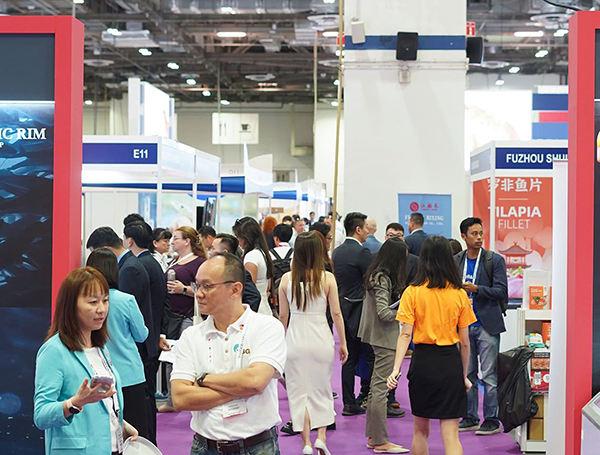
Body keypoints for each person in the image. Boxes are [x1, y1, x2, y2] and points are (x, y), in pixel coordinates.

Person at [171, 253, 286, 455]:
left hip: (257, 447)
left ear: (235, 289)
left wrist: (204, 379)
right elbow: (180, 398)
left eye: (207, 286)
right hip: (205, 447)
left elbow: (254, 382)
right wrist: (241, 388)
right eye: (197, 285)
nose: (198, 294)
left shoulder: (266, 327)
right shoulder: (191, 336)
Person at [34, 267, 138, 455]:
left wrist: (119, 423)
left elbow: (102, 403)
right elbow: (41, 415)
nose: (101, 309)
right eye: (93, 302)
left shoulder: (101, 347)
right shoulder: (54, 351)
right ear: (71, 305)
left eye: (105, 300)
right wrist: (74, 403)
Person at [387, 236, 476, 455]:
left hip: (423, 364)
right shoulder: (459, 294)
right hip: (450, 364)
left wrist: (396, 369)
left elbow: (404, 334)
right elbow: (465, 343)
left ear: (423, 259)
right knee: (451, 434)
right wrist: (464, 375)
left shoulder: (412, 292)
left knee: (420, 431)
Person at [278, 231, 348, 455]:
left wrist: (279, 343)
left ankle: (307, 442)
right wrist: (343, 343)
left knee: (299, 393)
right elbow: (336, 313)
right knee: (321, 389)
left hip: (295, 338)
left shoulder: (286, 279)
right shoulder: (327, 278)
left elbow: (283, 316)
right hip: (320, 337)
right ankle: (322, 437)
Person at [86, 248, 150, 441]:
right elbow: (141, 335)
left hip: (98, 377)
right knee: (135, 435)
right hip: (130, 374)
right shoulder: (126, 300)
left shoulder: (84, 304)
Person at [455, 217, 508, 435]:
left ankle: (491, 419)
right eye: (474, 234)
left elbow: (501, 291)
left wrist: (477, 289)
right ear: (463, 236)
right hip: (463, 324)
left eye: (480, 233)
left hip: (487, 324)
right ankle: (470, 416)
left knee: (489, 375)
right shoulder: (456, 260)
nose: (479, 238)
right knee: (467, 374)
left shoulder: (494, 260)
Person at [358, 238, 410, 454]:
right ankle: (380, 440)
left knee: (375, 389)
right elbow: (384, 312)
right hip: (384, 338)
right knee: (381, 389)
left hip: (377, 337)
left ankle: (374, 437)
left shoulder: (376, 275)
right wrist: (405, 310)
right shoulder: (382, 278)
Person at [124, 220, 167, 442]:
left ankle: (148, 441)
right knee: (148, 396)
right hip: (152, 337)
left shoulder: (137, 267)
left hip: (144, 340)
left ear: (129, 240)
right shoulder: (152, 263)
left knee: (146, 397)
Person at [86, 227, 155, 366]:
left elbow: (127, 322)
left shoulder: (129, 269)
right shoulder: (130, 264)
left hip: (123, 356)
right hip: (126, 357)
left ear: (105, 250)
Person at [160, 226, 207, 412]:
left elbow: (205, 290)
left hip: (189, 316)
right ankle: (173, 399)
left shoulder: (199, 263)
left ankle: (190, 396)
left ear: (187, 241)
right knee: (171, 357)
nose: (172, 241)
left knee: (187, 357)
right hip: (172, 315)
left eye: (176, 238)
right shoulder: (175, 260)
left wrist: (184, 289)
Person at [332, 212, 373, 416]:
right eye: (365, 228)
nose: (367, 232)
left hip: (342, 309)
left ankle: (349, 402)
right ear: (358, 229)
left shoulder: (337, 252)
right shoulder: (362, 252)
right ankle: (367, 396)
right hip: (361, 311)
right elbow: (372, 280)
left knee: (347, 357)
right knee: (369, 355)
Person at [233, 217, 274, 316]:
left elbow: (249, 290)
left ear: (246, 238)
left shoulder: (251, 257)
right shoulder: (263, 253)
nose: (238, 242)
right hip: (264, 307)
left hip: (255, 309)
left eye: (238, 237)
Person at [211, 233, 262, 312]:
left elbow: (254, 297)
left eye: (212, 248)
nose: (209, 252)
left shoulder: (237, 272)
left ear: (225, 252)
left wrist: (240, 315)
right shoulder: (213, 270)